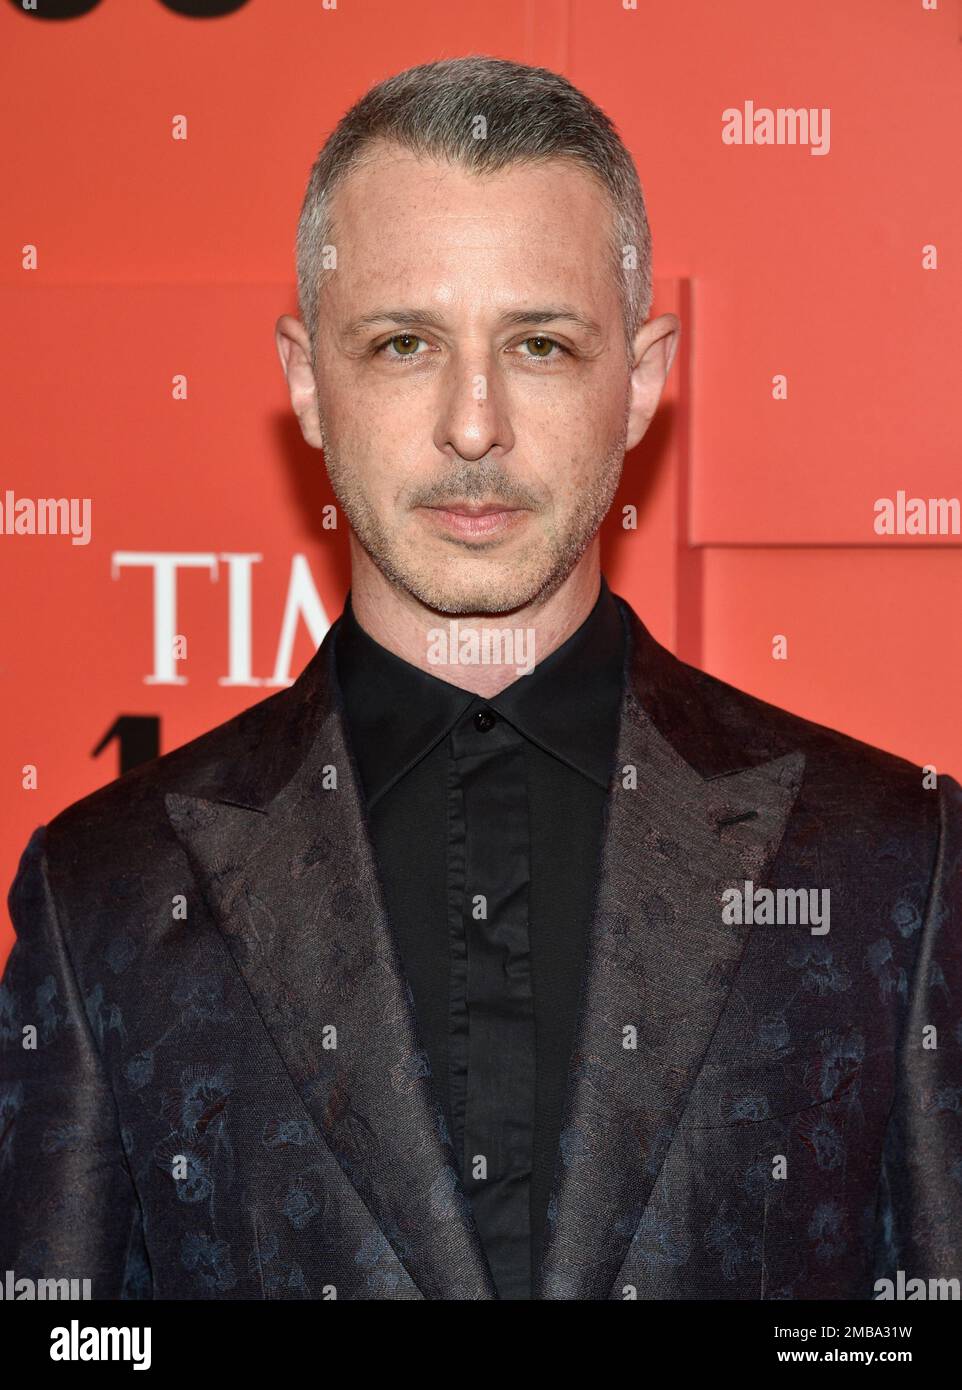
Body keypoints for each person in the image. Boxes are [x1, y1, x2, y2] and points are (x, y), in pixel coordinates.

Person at [1, 55, 959, 1302]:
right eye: (403, 343)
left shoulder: (890, 858)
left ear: (641, 379)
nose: (471, 425)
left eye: (539, 345)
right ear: (306, 378)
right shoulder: (108, 890)